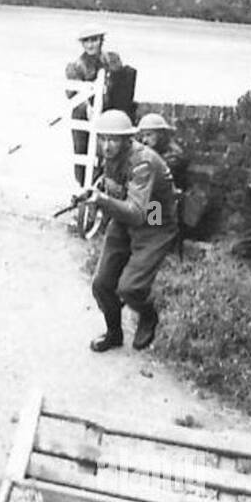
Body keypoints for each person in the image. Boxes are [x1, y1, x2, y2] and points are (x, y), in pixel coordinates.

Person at [74, 109, 178, 352]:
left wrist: (102, 200)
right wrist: (93, 192)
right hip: (125, 219)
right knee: (101, 284)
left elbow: (138, 212)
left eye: (113, 140)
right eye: (102, 139)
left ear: (126, 140)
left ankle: (148, 315)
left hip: (155, 222)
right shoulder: (112, 156)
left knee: (130, 288)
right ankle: (114, 333)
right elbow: (113, 187)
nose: (106, 146)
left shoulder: (143, 162)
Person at [65, 23, 135, 187]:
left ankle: (109, 186)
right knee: (83, 150)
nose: (90, 45)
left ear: (101, 41)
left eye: (94, 40)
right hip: (84, 114)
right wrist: (87, 106)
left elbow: (121, 81)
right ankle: (85, 188)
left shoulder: (112, 59)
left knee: (110, 151)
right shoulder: (75, 67)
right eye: (86, 41)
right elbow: (72, 94)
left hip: (109, 112)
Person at [136, 112, 189, 193]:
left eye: (149, 135)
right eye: (142, 136)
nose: (144, 140)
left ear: (161, 134)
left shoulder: (174, 156)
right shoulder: (152, 152)